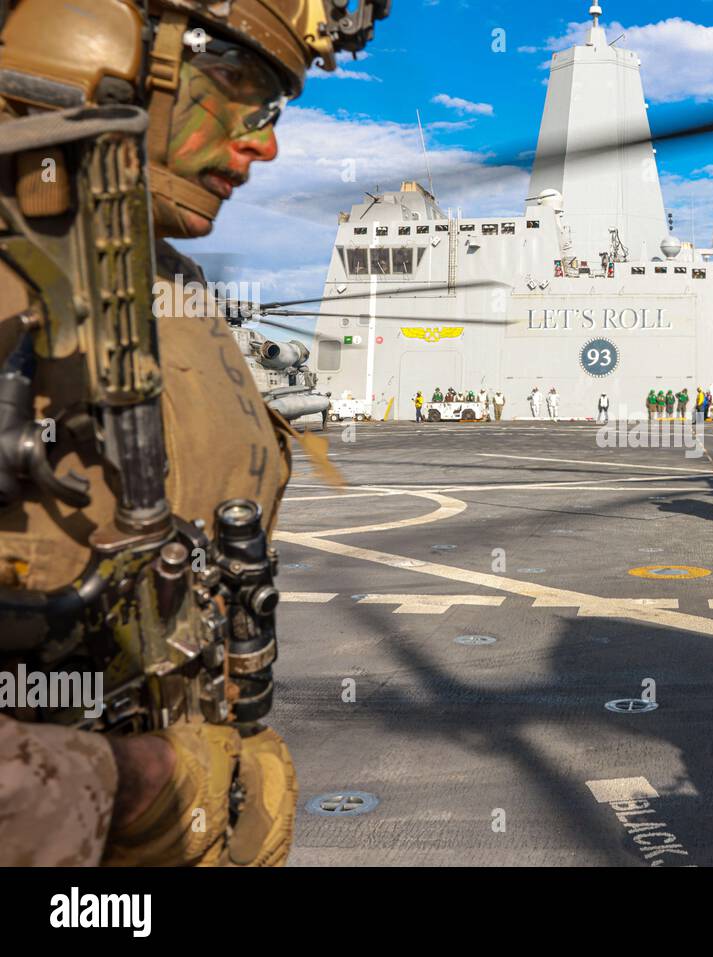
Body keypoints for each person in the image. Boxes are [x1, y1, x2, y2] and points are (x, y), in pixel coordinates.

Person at [0, 0, 387, 866]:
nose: (264, 146)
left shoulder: (155, 279)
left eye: (274, 109)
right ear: (100, 42)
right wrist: (129, 785)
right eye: (243, 89)